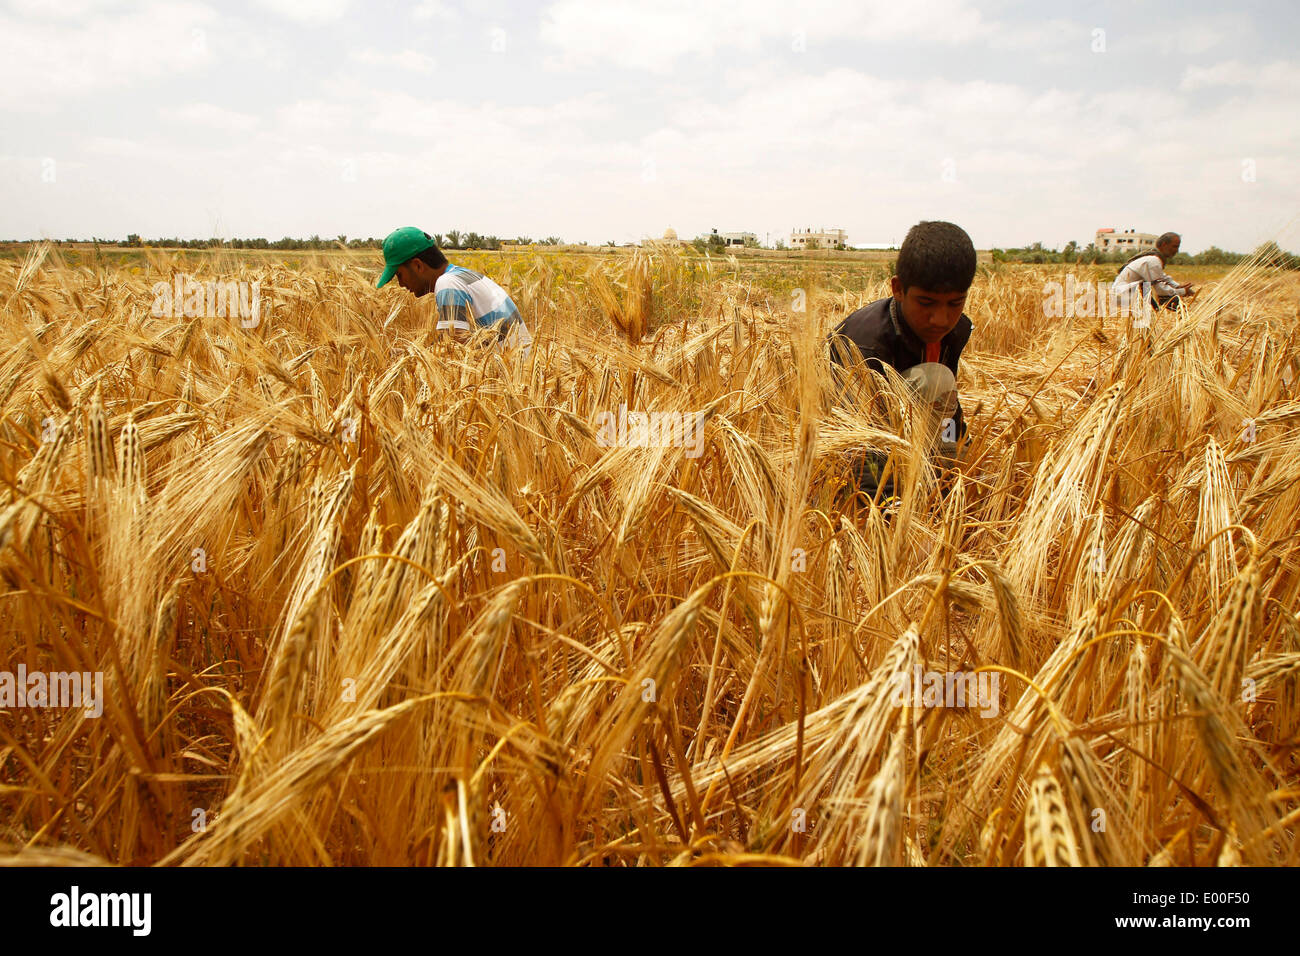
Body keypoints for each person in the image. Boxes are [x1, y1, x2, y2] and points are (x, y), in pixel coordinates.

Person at [828, 220, 977, 503]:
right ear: (897, 289)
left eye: (955, 303)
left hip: (898, 420)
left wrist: (953, 466)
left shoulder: (955, 331)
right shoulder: (866, 344)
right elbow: (862, 440)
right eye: (926, 303)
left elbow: (946, 405)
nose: (941, 320)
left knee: (942, 393)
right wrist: (887, 514)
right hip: (841, 424)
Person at [376, 226, 533, 356]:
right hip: (519, 372)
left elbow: (454, 352)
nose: (401, 284)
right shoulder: (462, 275)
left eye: (399, 275)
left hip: (509, 378)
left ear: (418, 265)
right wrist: (410, 353)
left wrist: (408, 356)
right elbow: (452, 343)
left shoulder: (447, 284)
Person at [1112, 232, 1194, 313]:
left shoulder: (1153, 258)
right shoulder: (1154, 261)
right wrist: (1182, 292)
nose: (1176, 250)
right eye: (1174, 246)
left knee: (1161, 297)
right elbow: (1160, 289)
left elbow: (1162, 277)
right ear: (1164, 244)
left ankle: (1156, 315)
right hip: (1123, 297)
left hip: (1128, 293)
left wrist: (1177, 286)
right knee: (1169, 298)